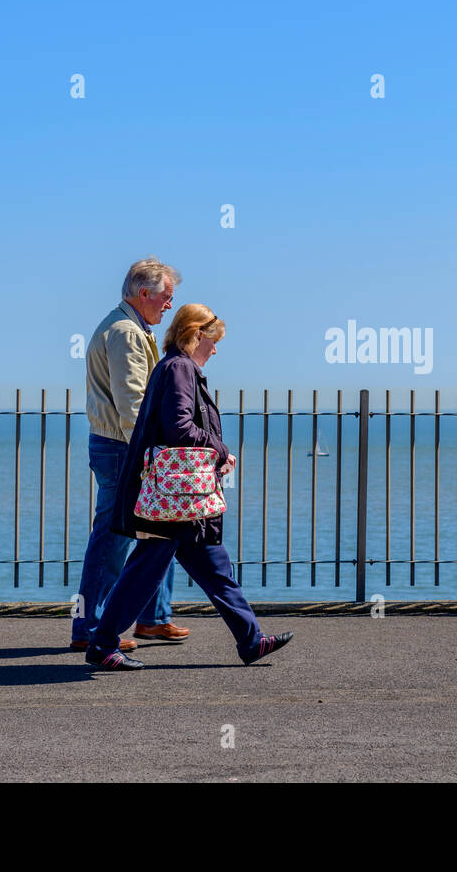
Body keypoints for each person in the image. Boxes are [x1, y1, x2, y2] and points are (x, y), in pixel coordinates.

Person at [85, 303, 294, 670]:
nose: (215, 349)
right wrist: (220, 451)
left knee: (214, 566)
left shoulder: (174, 367)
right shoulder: (181, 367)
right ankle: (102, 644)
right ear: (196, 334)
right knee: (145, 572)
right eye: (212, 340)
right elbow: (178, 426)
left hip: (180, 500)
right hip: (177, 498)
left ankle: (251, 641)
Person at [71, 258, 191, 652]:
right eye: (166, 298)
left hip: (119, 444)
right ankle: (90, 627)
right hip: (124, 447)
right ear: (145, 294)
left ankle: (152, 618)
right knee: (114, 537)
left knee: (156, 530)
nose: (169, 306)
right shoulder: (125, 333)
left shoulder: (127, 327)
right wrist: (150, 454)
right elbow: (133, 403)